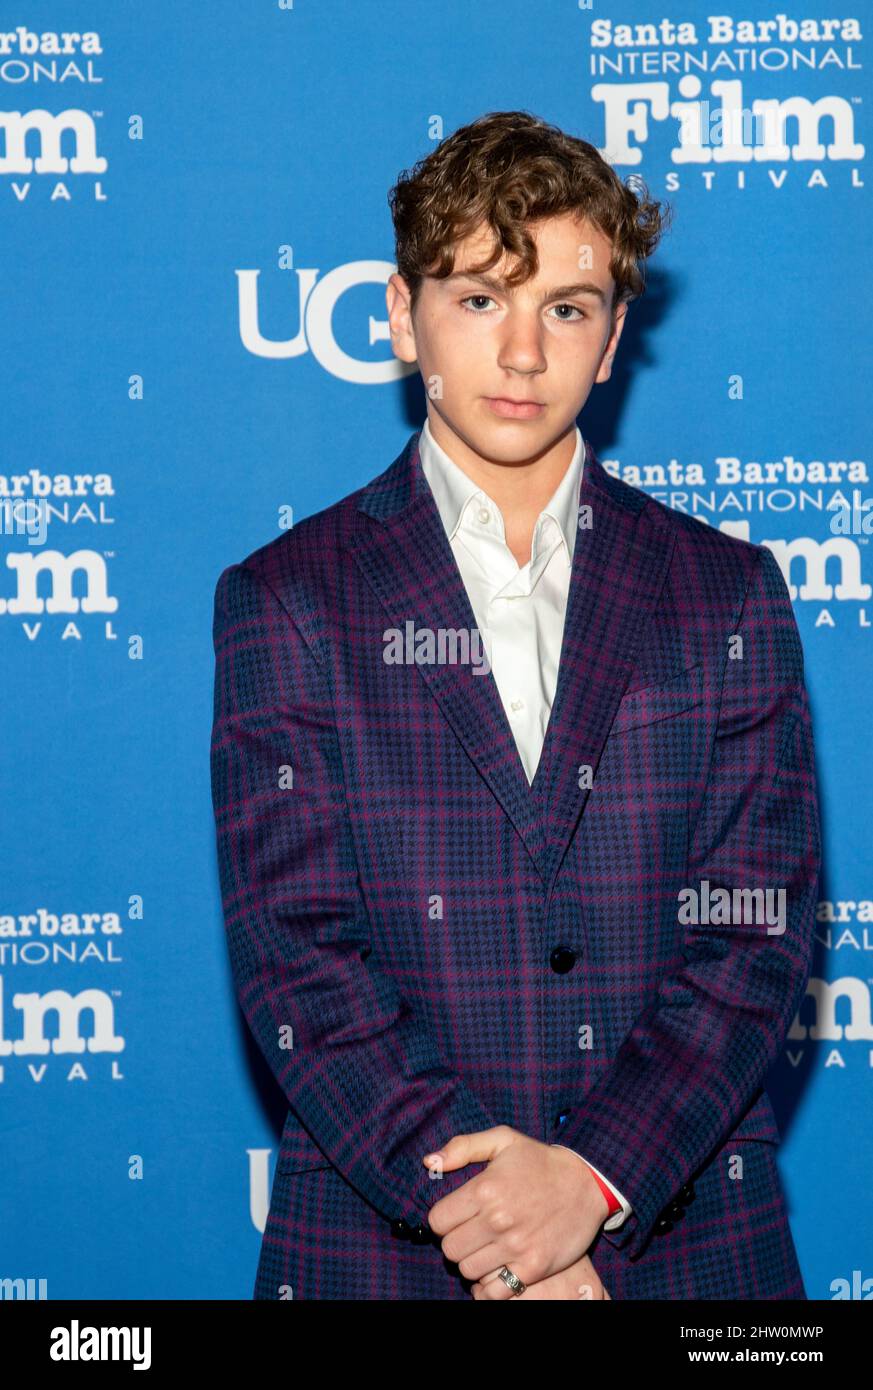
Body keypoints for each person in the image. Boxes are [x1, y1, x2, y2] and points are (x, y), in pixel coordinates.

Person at [209, 110, 821, 1300]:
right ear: (401, 317)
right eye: (481, 299)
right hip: (390, 1253)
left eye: (567, 307)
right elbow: (295, 958)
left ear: (614, 338)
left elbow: (754, 934)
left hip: (686, 1246)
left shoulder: (726, 592)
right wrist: (502, 1231)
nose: (524, 353)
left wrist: (589, 1186)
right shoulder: (286, 600)